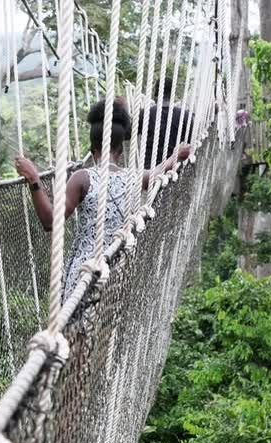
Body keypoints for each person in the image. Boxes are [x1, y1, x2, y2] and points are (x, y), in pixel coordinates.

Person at [15, 98, 191, 297]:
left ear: (92, 149)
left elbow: (49, 221)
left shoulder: (83, 178)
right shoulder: (134, 178)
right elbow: (158, 172)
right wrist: (175, 155)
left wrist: (34, 178)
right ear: (121, 149)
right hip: (118, 272)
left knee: (75, 326)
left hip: (84, 276)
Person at [136, 78, 195, 169]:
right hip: (175, 169)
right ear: (173, 93)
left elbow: (130, 134)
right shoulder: (185, 115)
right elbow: (191, 142)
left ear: (156, 92)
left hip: (149, 169)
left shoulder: (145, 113)